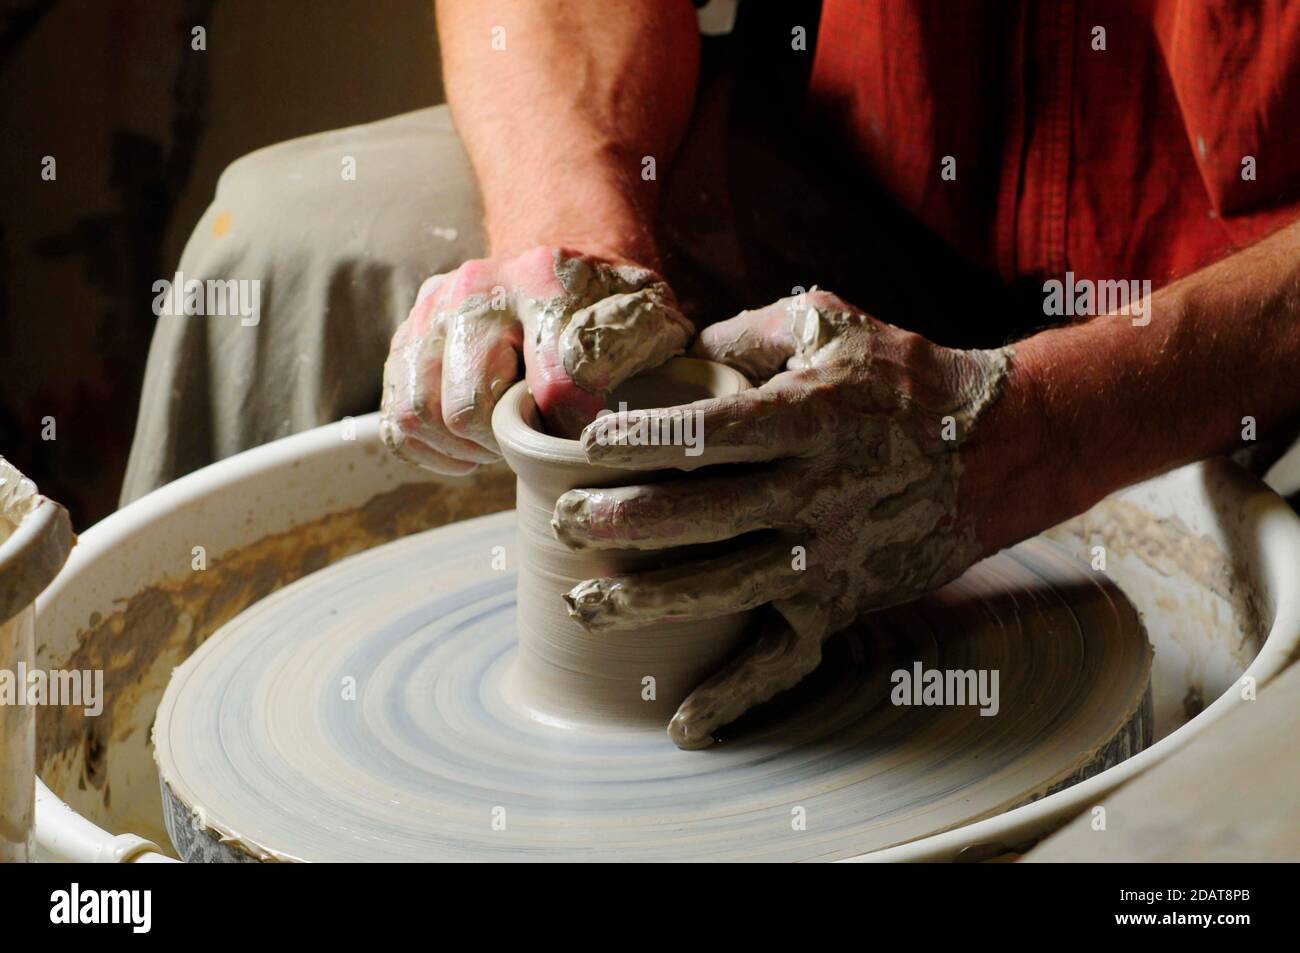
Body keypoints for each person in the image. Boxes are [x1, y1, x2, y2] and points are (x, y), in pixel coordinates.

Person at [123, 1, 1300, 746]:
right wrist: (586, 260)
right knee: (296, 247)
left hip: (1246, 303)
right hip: (850, 185)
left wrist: (1034, 430)